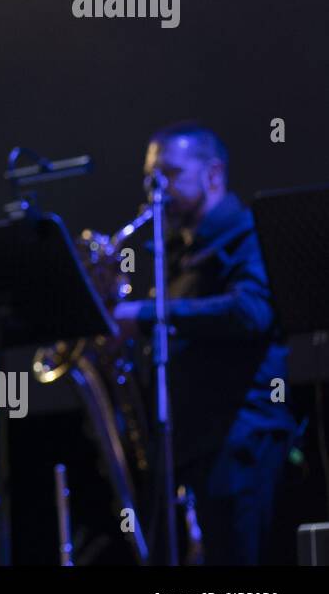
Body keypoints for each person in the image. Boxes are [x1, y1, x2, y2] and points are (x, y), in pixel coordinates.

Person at [114, 122, 297, 564]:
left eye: (170, 175)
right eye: (149, 178)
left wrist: (148, 315)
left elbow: (251, 312)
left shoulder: (247, 233)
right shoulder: (175, 254)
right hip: (193, 447)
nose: (156, 190)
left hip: (240, 445)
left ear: (213, 175)